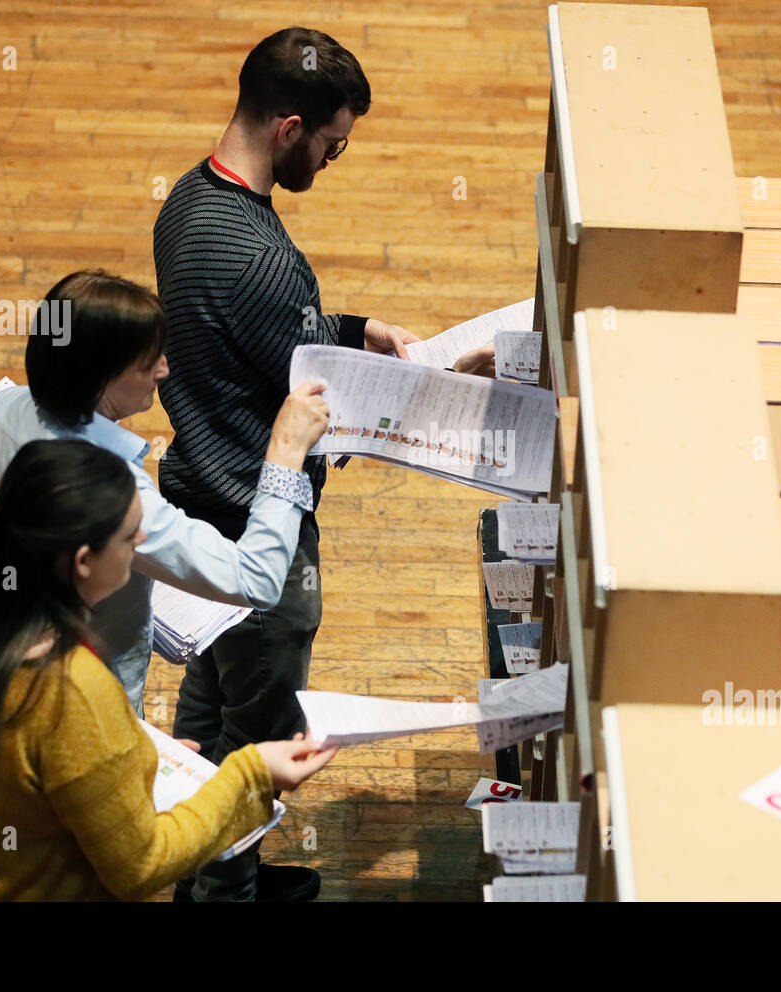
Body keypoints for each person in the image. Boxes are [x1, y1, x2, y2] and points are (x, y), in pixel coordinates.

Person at [152, 24, 493, 904]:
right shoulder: (260, 255)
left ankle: (198, 866)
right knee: (260, 732)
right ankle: (226, 895)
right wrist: (443, 375)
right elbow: (323, 389)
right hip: (256, 517)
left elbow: (278, 339)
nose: (334, 158)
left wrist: (352, 330)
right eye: (332, 143)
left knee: (208, 702)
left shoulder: (188, 204)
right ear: (287, 127)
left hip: (199, 496)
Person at [0, 439, 338, 900]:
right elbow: (140, 866)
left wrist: (124, 762)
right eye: (127, 536)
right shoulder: (73, 687)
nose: (141, 543)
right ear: (84, 562)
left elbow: (31, 772)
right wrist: (252, 773)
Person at [0, 269, 329, 716]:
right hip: (86, 713)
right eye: (147, 362)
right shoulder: (116, 497)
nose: (164, 369)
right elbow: (257, 580)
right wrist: (286, 449)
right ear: (102, 376)